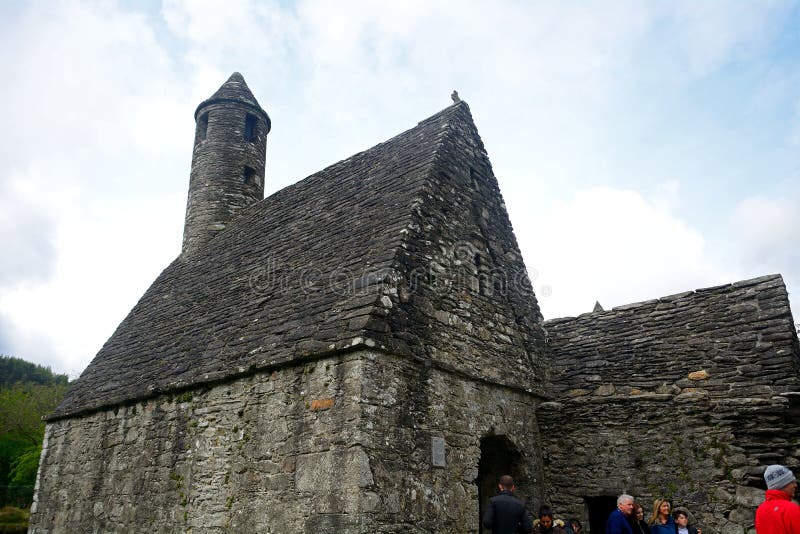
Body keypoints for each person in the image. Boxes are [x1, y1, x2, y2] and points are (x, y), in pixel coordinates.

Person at [755, 464, 800, 533]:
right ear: (783, 484)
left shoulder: (760, 510)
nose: (795, 485)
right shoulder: (791, 508)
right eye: (792, 482)